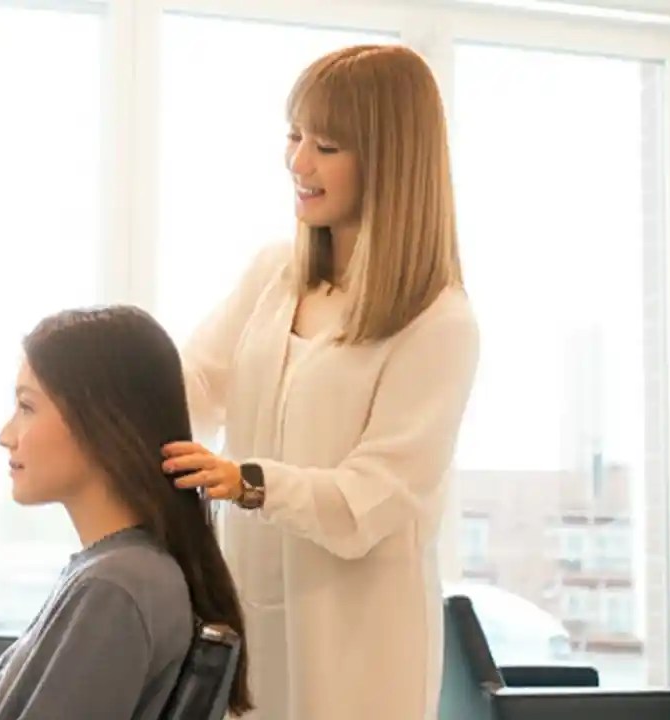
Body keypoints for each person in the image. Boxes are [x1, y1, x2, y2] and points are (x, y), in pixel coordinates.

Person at [161, 44, 481, 719]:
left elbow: (377, 496)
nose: (297, 162)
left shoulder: (438, 321)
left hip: (358, 648)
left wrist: (248, 481)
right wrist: (112, 378)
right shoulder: (275, 274)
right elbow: (193, 382)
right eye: (294, 134)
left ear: (389, 160)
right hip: (252, 617)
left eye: (326, 145)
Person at [0, 305, 253, 720]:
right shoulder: (121, 572)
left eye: (27, 407)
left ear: (98, 419)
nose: (6, 435)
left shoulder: (115, 587)